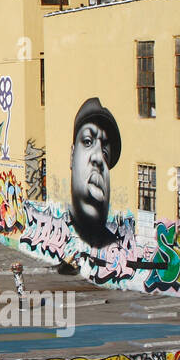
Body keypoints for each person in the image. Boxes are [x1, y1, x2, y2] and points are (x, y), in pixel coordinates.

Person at [69, 97, 121, 249]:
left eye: (105, 153)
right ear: (72, 156)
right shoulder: (54, 228)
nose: (99, 157)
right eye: (87, 141)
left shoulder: (116, 246)